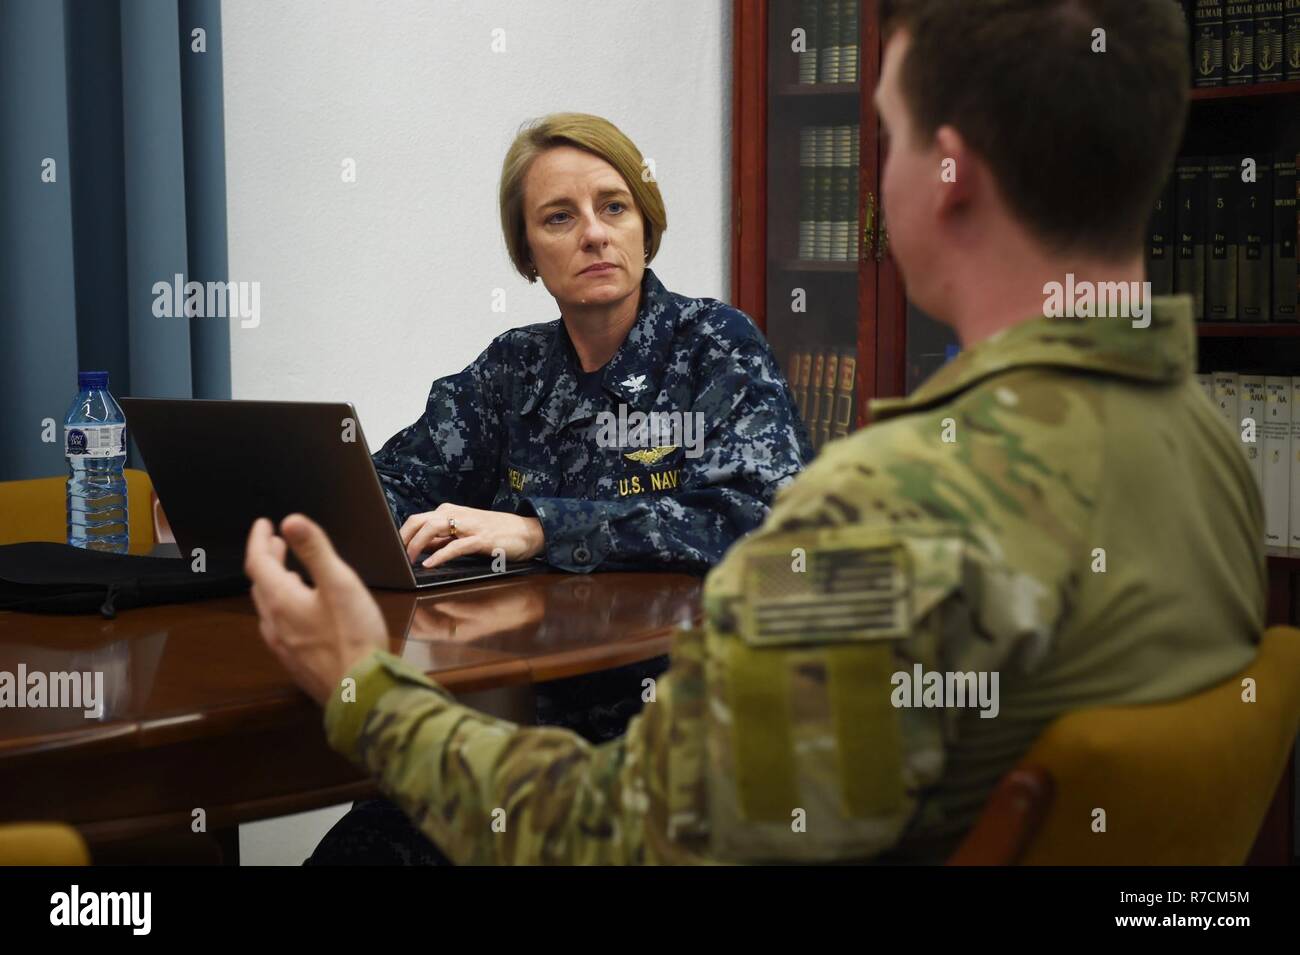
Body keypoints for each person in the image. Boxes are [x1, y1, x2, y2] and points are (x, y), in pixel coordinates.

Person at [245, 0, 1264, 864]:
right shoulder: (1209, 448)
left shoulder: (891, 506)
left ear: (947, 177)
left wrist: (364, 687)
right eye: (559, 217)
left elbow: (625, 837)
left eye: (888, 136)